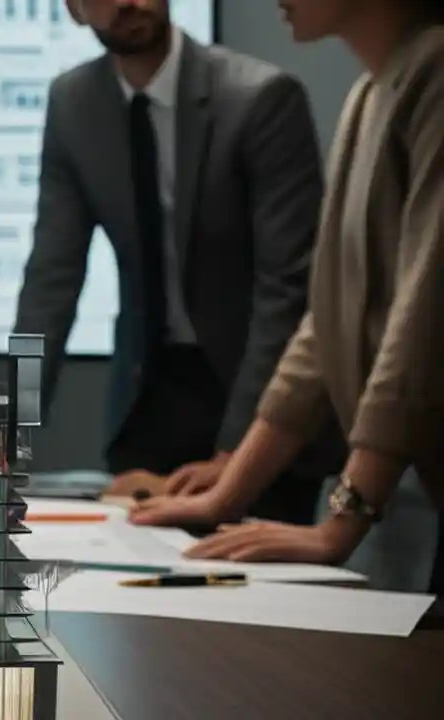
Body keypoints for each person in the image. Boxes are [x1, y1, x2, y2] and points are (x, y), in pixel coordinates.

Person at [132, 0, 444, 588]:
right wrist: (227, 494)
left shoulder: (433, 75)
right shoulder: (367, 95)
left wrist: (342, 524)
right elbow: (323, 324)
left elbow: (423, 321)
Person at [13, 0, 334, 523]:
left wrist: (237, 453)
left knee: (251, 589)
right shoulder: (74, 102)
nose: (126, 2)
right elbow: (51, 277)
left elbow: (288, 290)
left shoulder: (260, 98)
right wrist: (10, 422)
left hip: (259, 394)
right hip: (150, 395)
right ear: (73, 11)